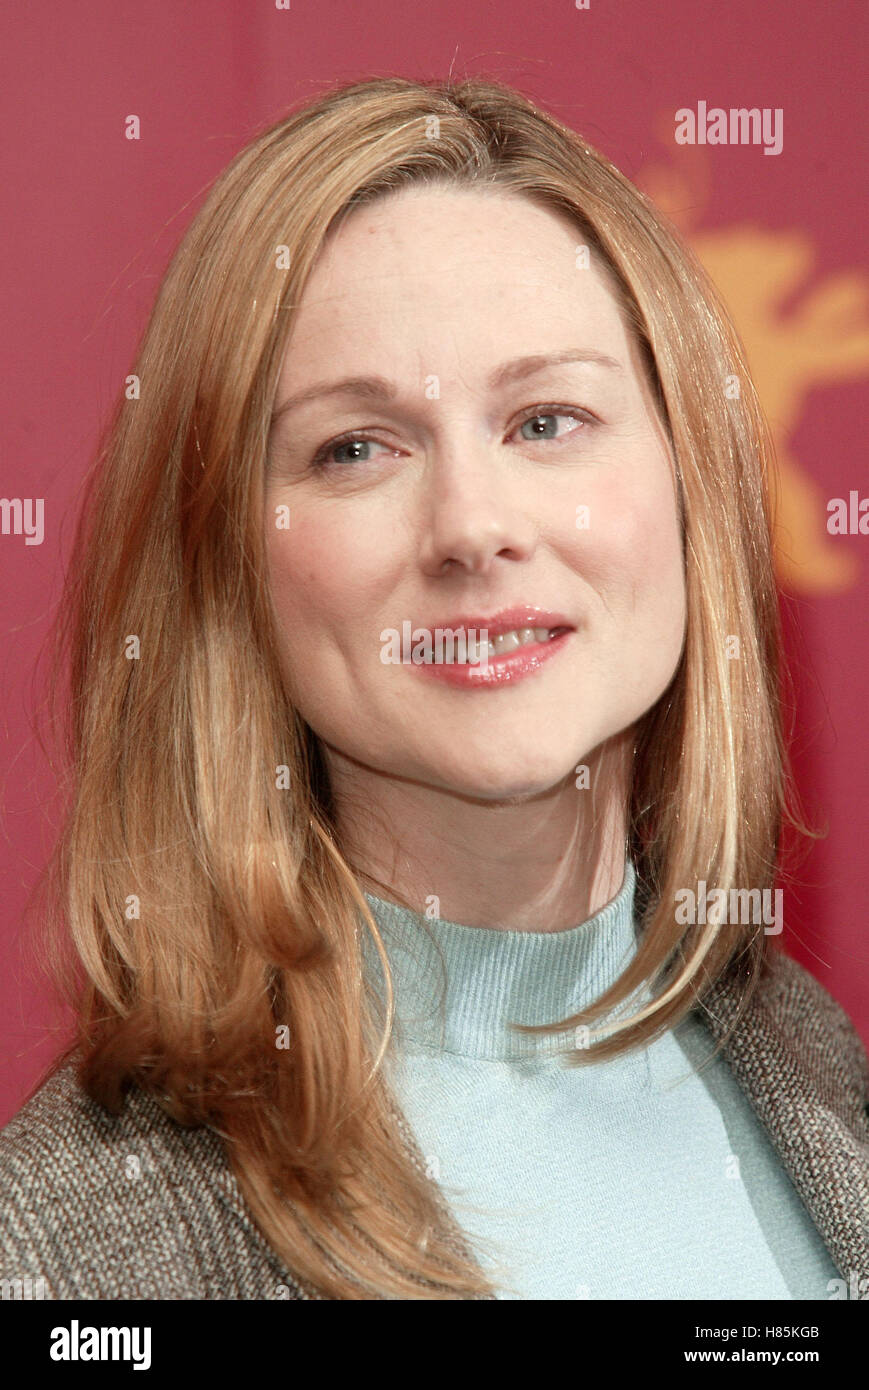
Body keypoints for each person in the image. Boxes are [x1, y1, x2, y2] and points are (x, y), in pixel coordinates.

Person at [1, 74, 867, 1302]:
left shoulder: (807, 1065)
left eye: (546, 420)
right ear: (227, 563)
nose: (471, 525)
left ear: (691, 480)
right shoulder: (62, 1252)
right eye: (356, 447)